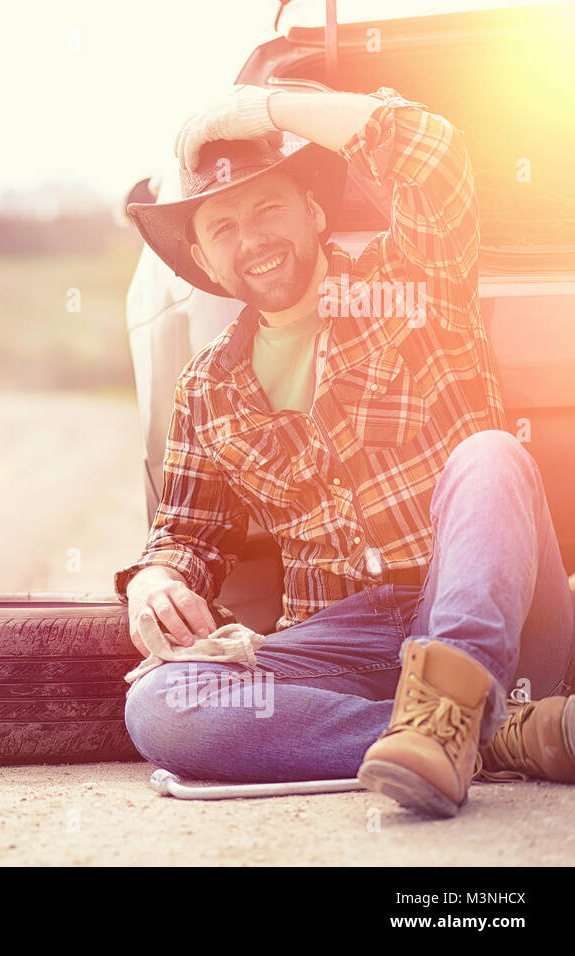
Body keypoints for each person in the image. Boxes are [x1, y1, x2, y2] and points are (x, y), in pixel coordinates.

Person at [117, 85, 575, 817]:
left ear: (314, 211)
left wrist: (266, 109)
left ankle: (464, 710)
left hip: (489, 616)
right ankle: (496, 737)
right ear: (203, 256)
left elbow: (432, 159)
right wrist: (153, 582)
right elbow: (185, 535)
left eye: (269, 208)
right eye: (225, 226)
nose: (254, 239)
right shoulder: (207, 387)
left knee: (490, 455)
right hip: (341, 646)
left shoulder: (408, 287)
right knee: (164, 705)